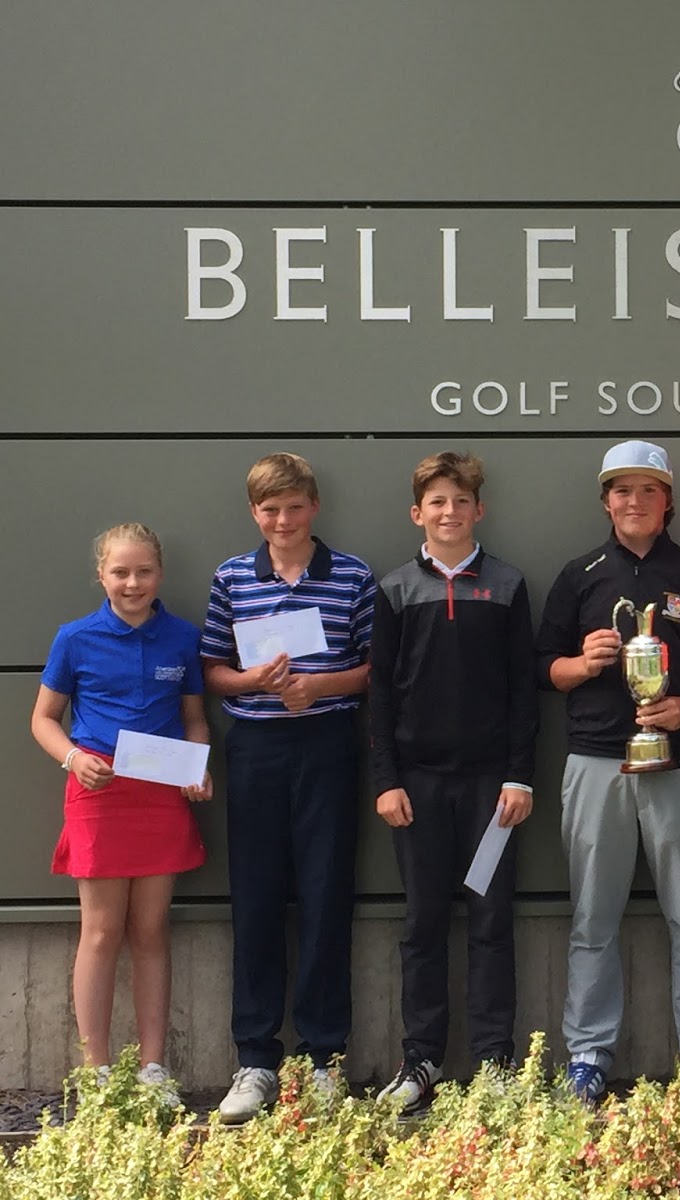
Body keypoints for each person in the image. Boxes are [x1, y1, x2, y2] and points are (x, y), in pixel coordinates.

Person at [536, 440, 680, 1103]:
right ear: (606, 501)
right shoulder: (580, 575)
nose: (635, 502)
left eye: (649, 490)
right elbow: (543, 667)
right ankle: (588, 1058)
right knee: (593, 920)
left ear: (668, 502)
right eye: (623, 491)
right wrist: (583, 663)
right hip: (598, 761)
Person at [199, 453, 376, 1122]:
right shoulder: (231, 576)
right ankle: (255, 1058)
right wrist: (257, 684)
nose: (283, 520)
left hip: (328, 744)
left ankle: (325, 1057)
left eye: (294, 507)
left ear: (315, 507)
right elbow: (214, 669)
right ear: (255, 514)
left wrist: (316, 686)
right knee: (257, 897)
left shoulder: (353, 575)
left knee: (328, 895)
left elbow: (371, 668)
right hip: (255, 749)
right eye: (270, 510)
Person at [369, 451, 539, 1116]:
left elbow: (524, 692)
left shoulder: (507, 584)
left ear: (478, 510)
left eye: (459, 501)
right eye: (436, 502)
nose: (448, 512)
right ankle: (422, 1060)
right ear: (418, 513)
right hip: (416, 786)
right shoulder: (394, 589)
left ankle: (495, 1061)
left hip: (492, 790)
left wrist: (519, 775)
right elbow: (379, 692)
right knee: (423, 922)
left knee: (492, 918)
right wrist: (386, 780)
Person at [29, 523, 211, 1102]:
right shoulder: (75, 638)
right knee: (102, 930)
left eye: (144, 572)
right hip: (98, 791)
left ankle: (153, 1069)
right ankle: (97, 1072)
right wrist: (73, 760)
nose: (133, 583)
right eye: (120, 572)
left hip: (161, 790)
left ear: (161, 574)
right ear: (101, 576)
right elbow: (43, 720)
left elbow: (193, 719)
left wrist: (198, 766)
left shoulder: (183, 638)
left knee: (151, 929)